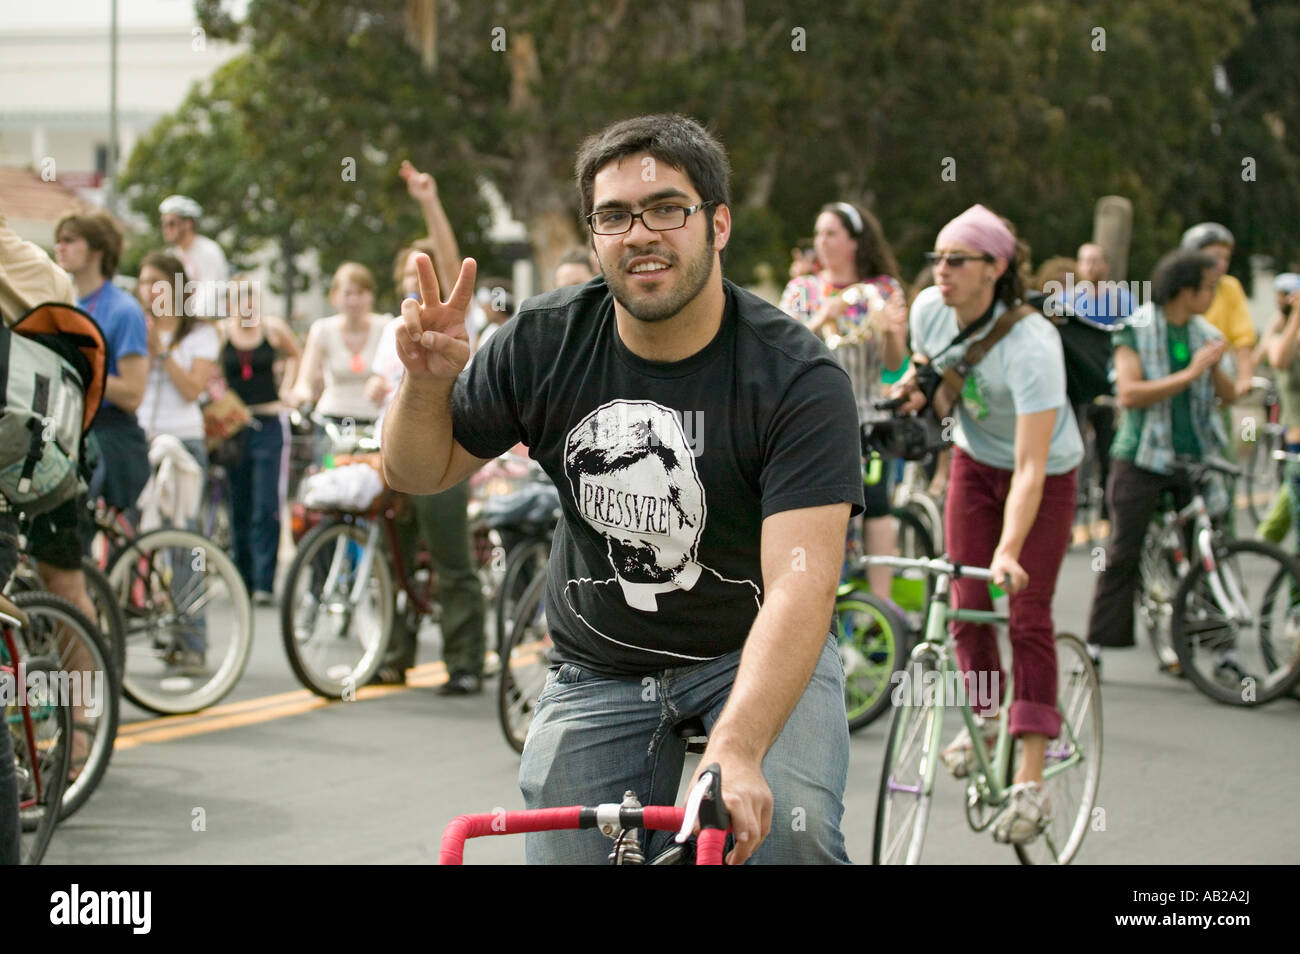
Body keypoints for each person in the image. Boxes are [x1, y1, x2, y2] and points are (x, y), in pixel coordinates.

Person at [381, 114, 863, 864]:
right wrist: (424, 384)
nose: (640, 233)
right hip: (598, 665)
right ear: (595, 235)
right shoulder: (541, 343)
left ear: (718, 224)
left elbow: (802, 588)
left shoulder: (795, 378)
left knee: (787, 831)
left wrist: (734, 749)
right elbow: (417, 471)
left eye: (668, 208)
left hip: (750, 649)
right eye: (613, 216)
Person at [889, 204, 1084, 845]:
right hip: (975, 462)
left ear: (996, 268)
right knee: (966, 600)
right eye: (937, 258)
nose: (940, 271)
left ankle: (1032, 780)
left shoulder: (1034, 345)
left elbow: (1031, 465)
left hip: (1044, 475)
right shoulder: (928, 310)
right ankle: (988, 716)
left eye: (957, 260)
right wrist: (916, 391)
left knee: (1025, 609)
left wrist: (1007, 549)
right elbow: (943, 388)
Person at [363, 161, 487, 692]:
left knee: (450, 561)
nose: (420, 286)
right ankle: (395, 655)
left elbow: (449, 253)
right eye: (411, 278)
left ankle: (463, 662)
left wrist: (428, 200)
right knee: (394, 559)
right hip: (392, 454)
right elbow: (377, 385)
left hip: (445, 452)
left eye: (430, 273)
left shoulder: (458, 318)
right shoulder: (394, 328)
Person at [1084, 250, 1235, 668]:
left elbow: (1230, 395)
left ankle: (1217, 648)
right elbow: (1129, 394)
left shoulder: (1205, 332)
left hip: (1194, 457)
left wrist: (1215, 368)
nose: (1211, 294)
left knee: (1207, 551)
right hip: (1142, 456)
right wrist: (1188, 375)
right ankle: (1097, 645)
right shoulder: (1137, 327)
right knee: (1123, 551)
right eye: (1208, 287)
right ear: (1186, 290)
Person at [779, 202, 908, 604]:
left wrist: (889, 332)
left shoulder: (882, 290)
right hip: (813, 418)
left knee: (879, 501)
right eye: (818, 234)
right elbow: (782, 350)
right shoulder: (803, 290)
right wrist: (821, 317)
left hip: (868, 414)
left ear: (854, 241)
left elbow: (894, 364)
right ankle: (820, 598)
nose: (822, 242)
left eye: (831, 233)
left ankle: (883, 608)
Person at [137, 251, 221, 674]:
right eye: (142, 281)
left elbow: (192, 389)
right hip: (142, 438)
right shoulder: (133, 324)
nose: (147, 290)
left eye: (156, 281)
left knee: (183, 542)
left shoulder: (201, 334)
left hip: (184, 440)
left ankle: (193, 639)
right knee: (133, 535)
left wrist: (162, 351)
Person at [53, 210, 152, 517]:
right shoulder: (64, 302)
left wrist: (80, 372)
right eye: (58, 241)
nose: (60, 248)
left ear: (97, 250)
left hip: (111, 436)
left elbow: (134, 393)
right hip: (71, 428)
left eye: (70, 240)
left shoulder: (124, 310)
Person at [218, 279, 300, 605]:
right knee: (238, 503)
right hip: (234, 426)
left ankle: (265, 582)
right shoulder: (221, 333)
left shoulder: (272, 330)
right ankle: (242, 579)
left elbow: (296, 355)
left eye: (252, 301)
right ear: (231, 305)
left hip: (268, 421)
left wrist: (288, 389)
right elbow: (208, 371)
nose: (247, 307)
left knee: (266, 504)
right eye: (241, 301)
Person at [287, 262, 387, 456]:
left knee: (376, 482)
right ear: (334, 297)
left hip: (375, 421)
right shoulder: (322, 330)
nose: (354, 300)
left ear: (370, 296)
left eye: (360, 293)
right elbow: (304, 381)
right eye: (347, 293)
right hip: (331, 423)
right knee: (328, 478)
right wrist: (300, 395)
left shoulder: (385, 327)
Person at [1181, 222, 1255, 397]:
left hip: (1218, 368)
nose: (1221, 264)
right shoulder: (1178, 286)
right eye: (1214, 257)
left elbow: (1242, 336)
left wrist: (1245, 376)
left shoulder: (1230, 286)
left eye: (1226, 258)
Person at [1259, 275, 1300, 548]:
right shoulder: (1277, 335)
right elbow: (1279, 359)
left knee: (1289, 502)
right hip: (1296, 435)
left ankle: (1264, 541)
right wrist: (1296, 317)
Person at [159, 195, 230, 318]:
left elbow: (210, 294)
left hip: (210, 321)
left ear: (188, 224)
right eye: (163, 224)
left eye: (171, 224)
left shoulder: (209, 251)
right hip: (186, 323)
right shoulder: (171, 255)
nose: (166, 229)